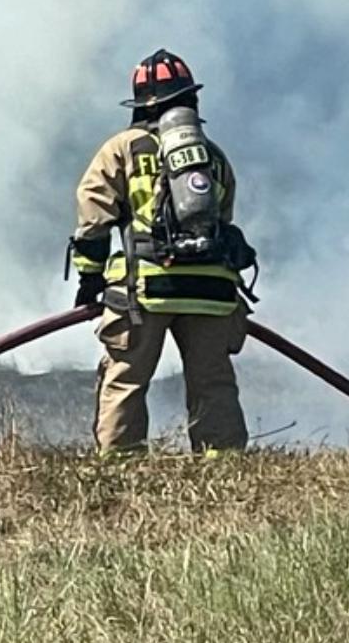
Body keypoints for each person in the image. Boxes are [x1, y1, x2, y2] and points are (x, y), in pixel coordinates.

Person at [68, 49, 256, 453]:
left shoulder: (123, 148)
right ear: (190, 99)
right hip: (212, 294)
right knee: (213, 383)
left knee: (126, 380)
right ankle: (224, 467)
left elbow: (94, 219)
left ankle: (121, 466)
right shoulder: (213, 157)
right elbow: (222, 219)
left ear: (142, 105)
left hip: (145, 290)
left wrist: (90, 277)